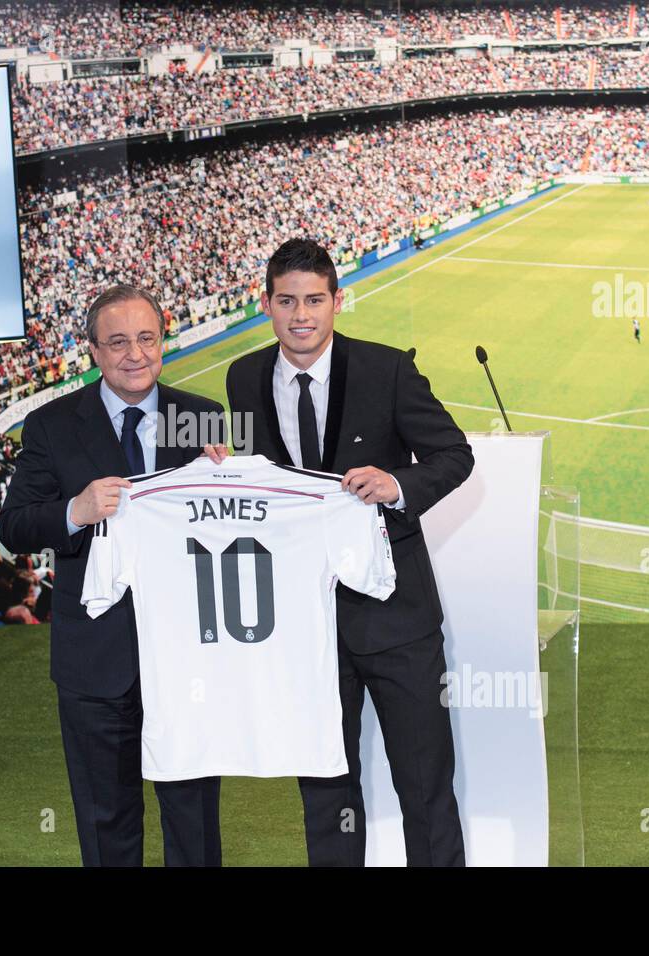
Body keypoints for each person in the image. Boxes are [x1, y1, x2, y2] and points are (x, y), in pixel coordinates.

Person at [224, 238, 474, 866]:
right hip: (304, 625)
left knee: (424, 788)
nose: (300, 315)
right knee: (326, 795)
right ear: (266, 305)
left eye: (313, 300)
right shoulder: (242, 378)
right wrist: (227, 472)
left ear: (338, 301)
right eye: (286, 301)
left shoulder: (387, 369)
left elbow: (455, 455)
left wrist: (398, 486)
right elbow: (261, 481)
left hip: (397, 617)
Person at [0, 283, 225, 867]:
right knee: (107, 823)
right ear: (93, 351)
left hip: (186, 657)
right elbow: (16, 527)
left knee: (195, 821)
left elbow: (240, 525)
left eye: (146, 338)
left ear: (162, 341)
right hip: (94, 660)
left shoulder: (201, 419)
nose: (135, 354)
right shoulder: (51, 425)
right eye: (118, 341)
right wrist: (75, 510)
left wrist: (226, 481)